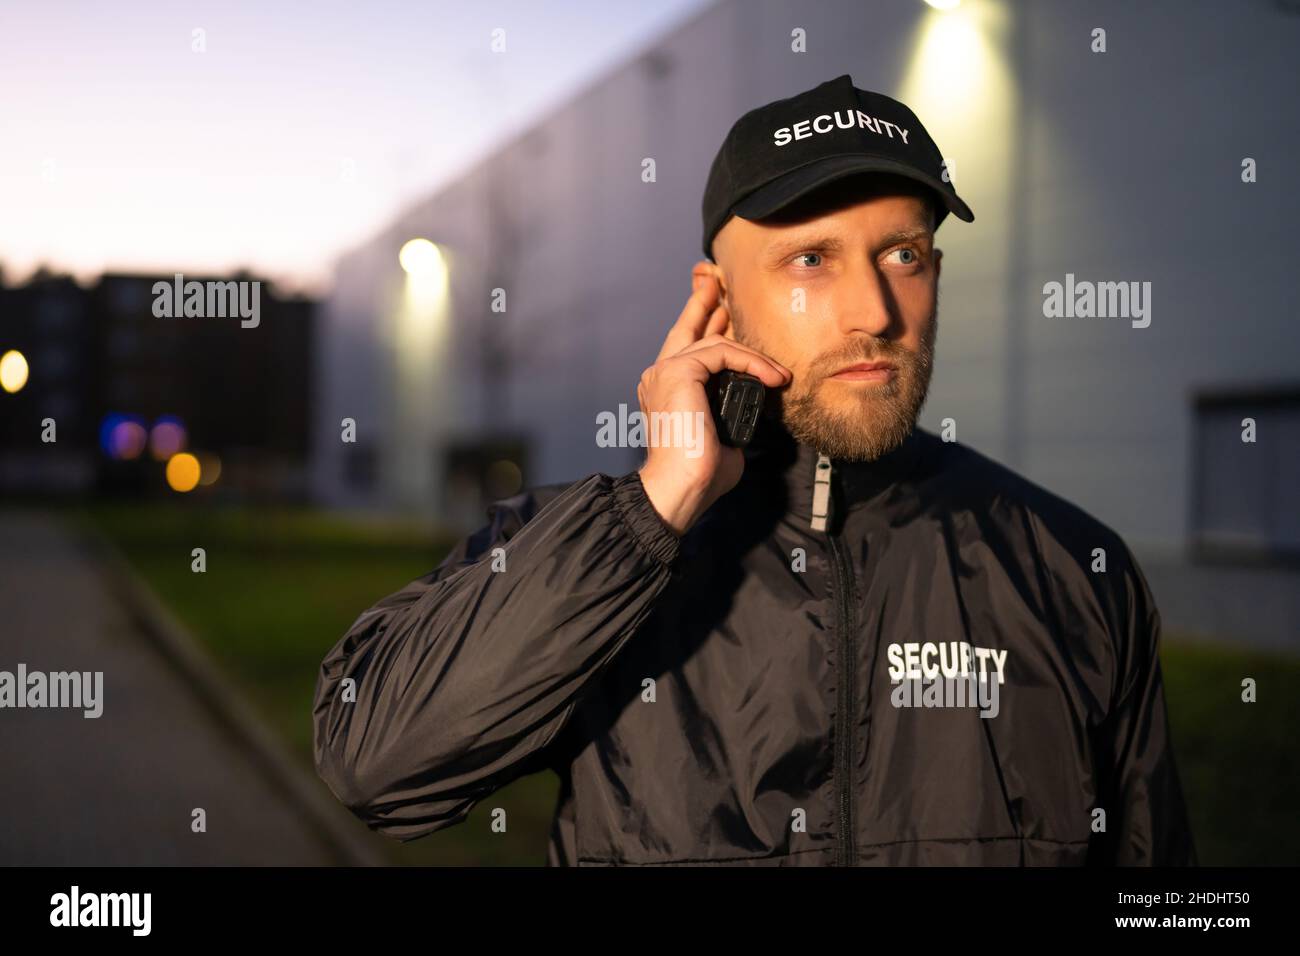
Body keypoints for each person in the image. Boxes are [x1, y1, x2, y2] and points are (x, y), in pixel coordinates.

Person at [312, 74, 1197, 866]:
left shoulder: (1072, 567)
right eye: (811, 258)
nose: (875, 312)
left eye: (903, 255)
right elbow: (374, 766)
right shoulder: (593, 554)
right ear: (718, 301)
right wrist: (656, 509)